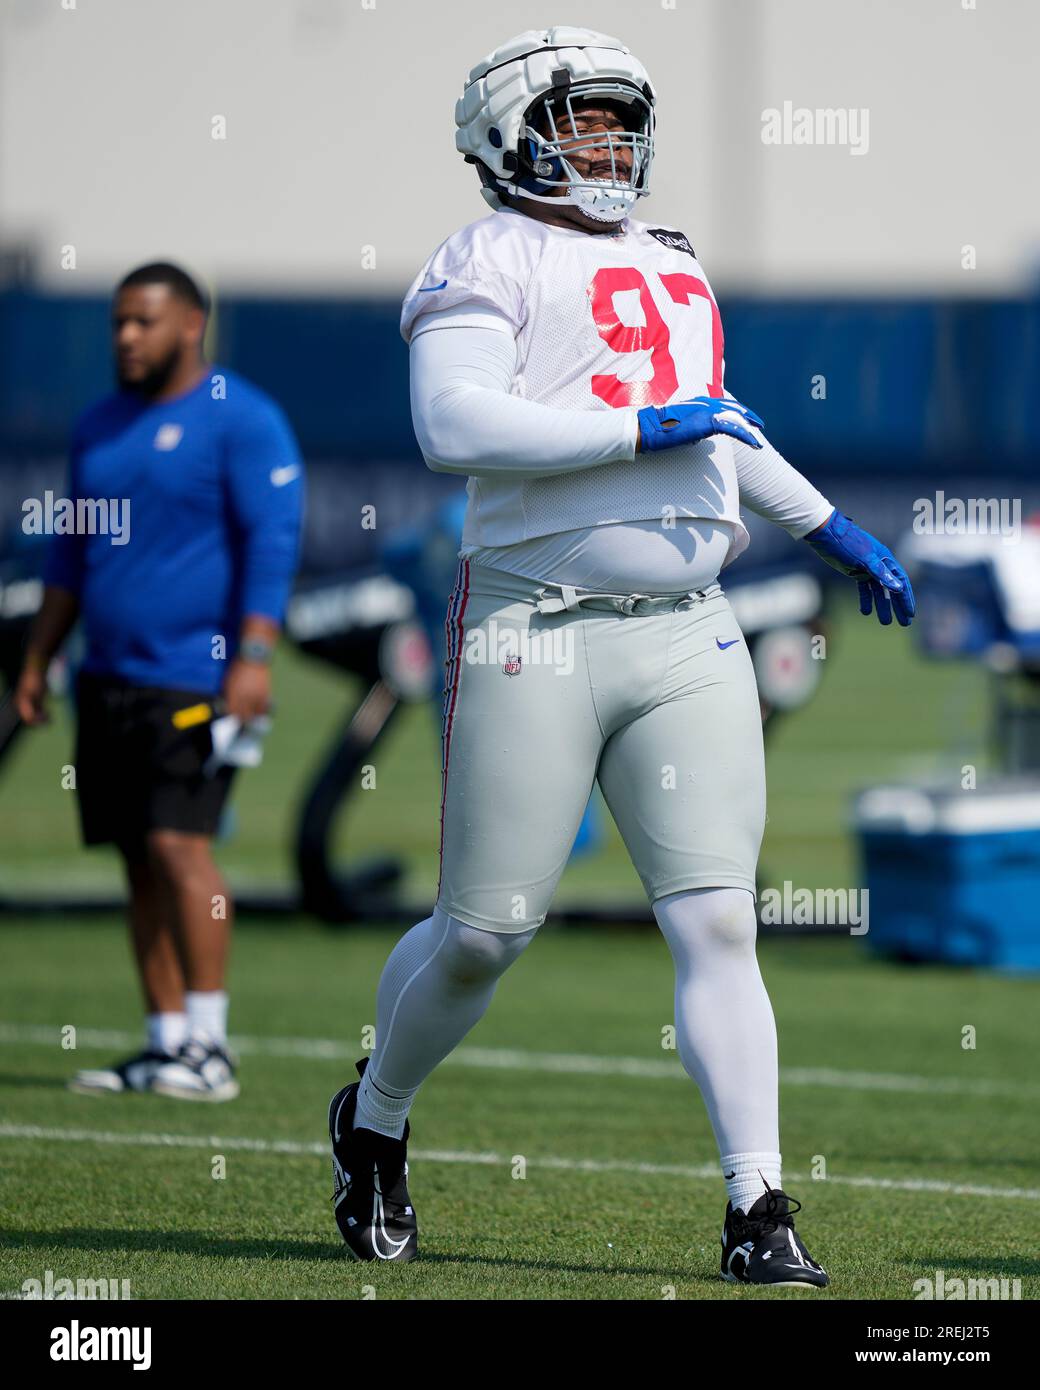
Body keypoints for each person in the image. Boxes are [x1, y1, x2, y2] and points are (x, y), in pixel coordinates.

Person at [327, 28, 913, 1282]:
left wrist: (826, 526)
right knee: (482, 933)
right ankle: (373, 1117)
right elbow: (451, 423)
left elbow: (717, 429)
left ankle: (756, 1207)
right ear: (506, 134)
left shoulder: (670, 257)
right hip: (532, 624)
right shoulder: (484, 254)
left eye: (616, 123)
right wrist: (638, 426)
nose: (605, 145)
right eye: (579, 121)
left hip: (689, 628)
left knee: (717, 925)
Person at [15, 261, 304, 1101]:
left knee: (181, 848)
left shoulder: (242, 418)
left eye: (143, 321)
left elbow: (273, 541)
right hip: (105, 675)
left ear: (190, 324)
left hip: (195, 679)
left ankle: (210, 1047)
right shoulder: (99, 425)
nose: (126, 337)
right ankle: (163, 1042)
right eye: (117, 323)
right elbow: (70, 554)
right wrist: (36, 658)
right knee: (137, 857)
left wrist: (253, 658)